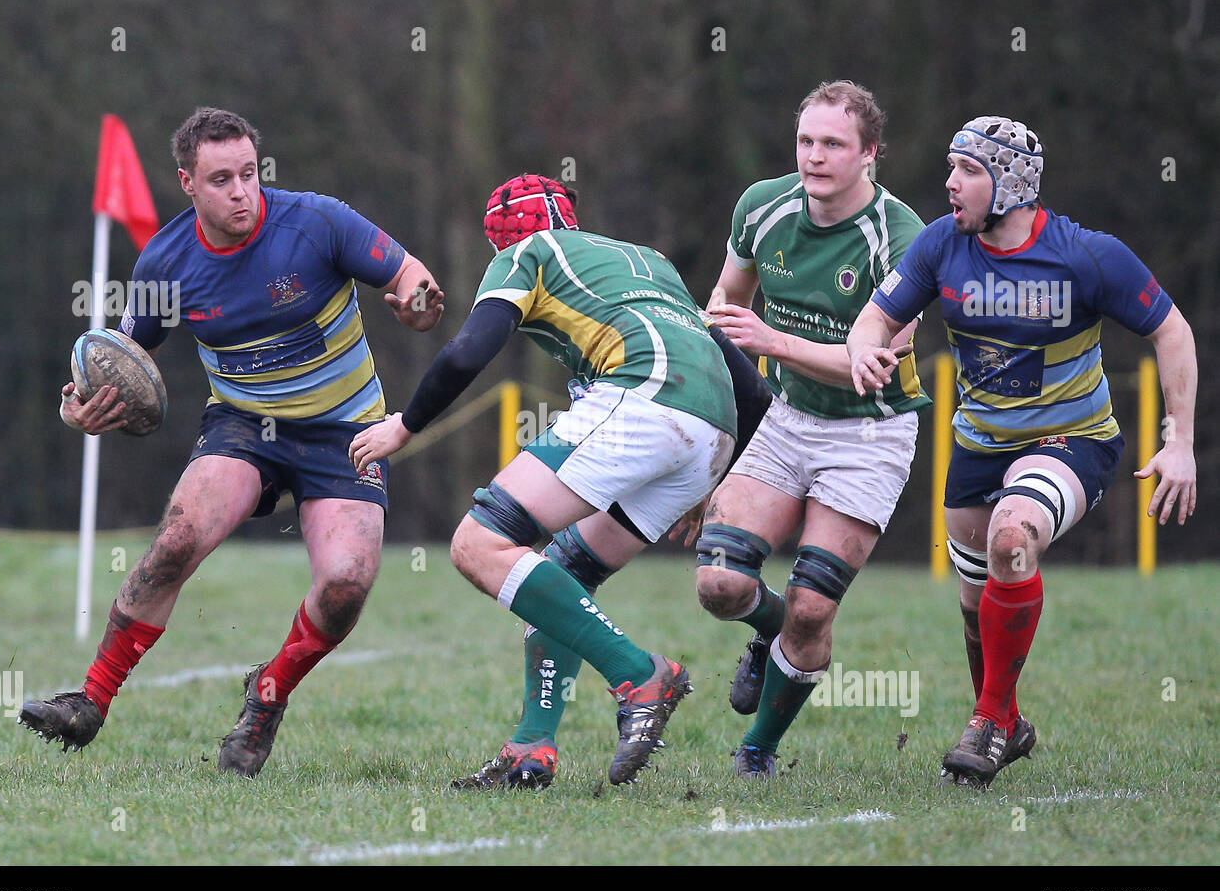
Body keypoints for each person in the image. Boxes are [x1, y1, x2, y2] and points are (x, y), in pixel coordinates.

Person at [19, 107, 445, 777]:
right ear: (187, 182)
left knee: (346, 584)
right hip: (244, 426)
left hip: (346, 431)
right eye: (222, 179)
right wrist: (82, 405)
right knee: (175, 543)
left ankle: (266, 696)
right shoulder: (167, 260)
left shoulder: (317, 222)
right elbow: (121, 359)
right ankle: (89, 701)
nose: (242, 190)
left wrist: (418, 302)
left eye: (249, 173)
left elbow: (412, 280)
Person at [350, 173, 771, 788]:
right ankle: (531, 749)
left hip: (646, 396)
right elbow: (754, 394)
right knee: (565, 572)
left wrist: (404, 428)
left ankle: (640, 674)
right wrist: (708, 480)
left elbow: (469, 352)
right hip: (716, 431)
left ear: (499, 241)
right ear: (568, 217)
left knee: (478, 542)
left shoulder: (526, 254)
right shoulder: (646, 262)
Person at [848, 115, 1197, 788]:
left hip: (1073, 441)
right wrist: (865, 346)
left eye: (969, 171)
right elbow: (877, 315)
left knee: (1014, 538)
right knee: (978, 602)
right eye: (951, 167)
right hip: (979, 445)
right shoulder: (939, 247)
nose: (950, 183)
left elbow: (1172, 330)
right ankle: (1007, 721)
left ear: (1009, 184)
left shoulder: (1087, 254)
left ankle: (985, 725)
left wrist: (1179, 441)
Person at [674, 80, 929, 779]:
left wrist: (770, 341)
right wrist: (708, 451)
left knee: (814, 611)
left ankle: (757, 751)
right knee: (719, 585)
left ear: (870, 153)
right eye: (806, 141)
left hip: (870, 433)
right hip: (786, 420)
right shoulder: (763, 206)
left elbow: (870, 368)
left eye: (833, 144)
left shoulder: (904, 237)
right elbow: (723, 312)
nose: (814, 157)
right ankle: (767, 633)